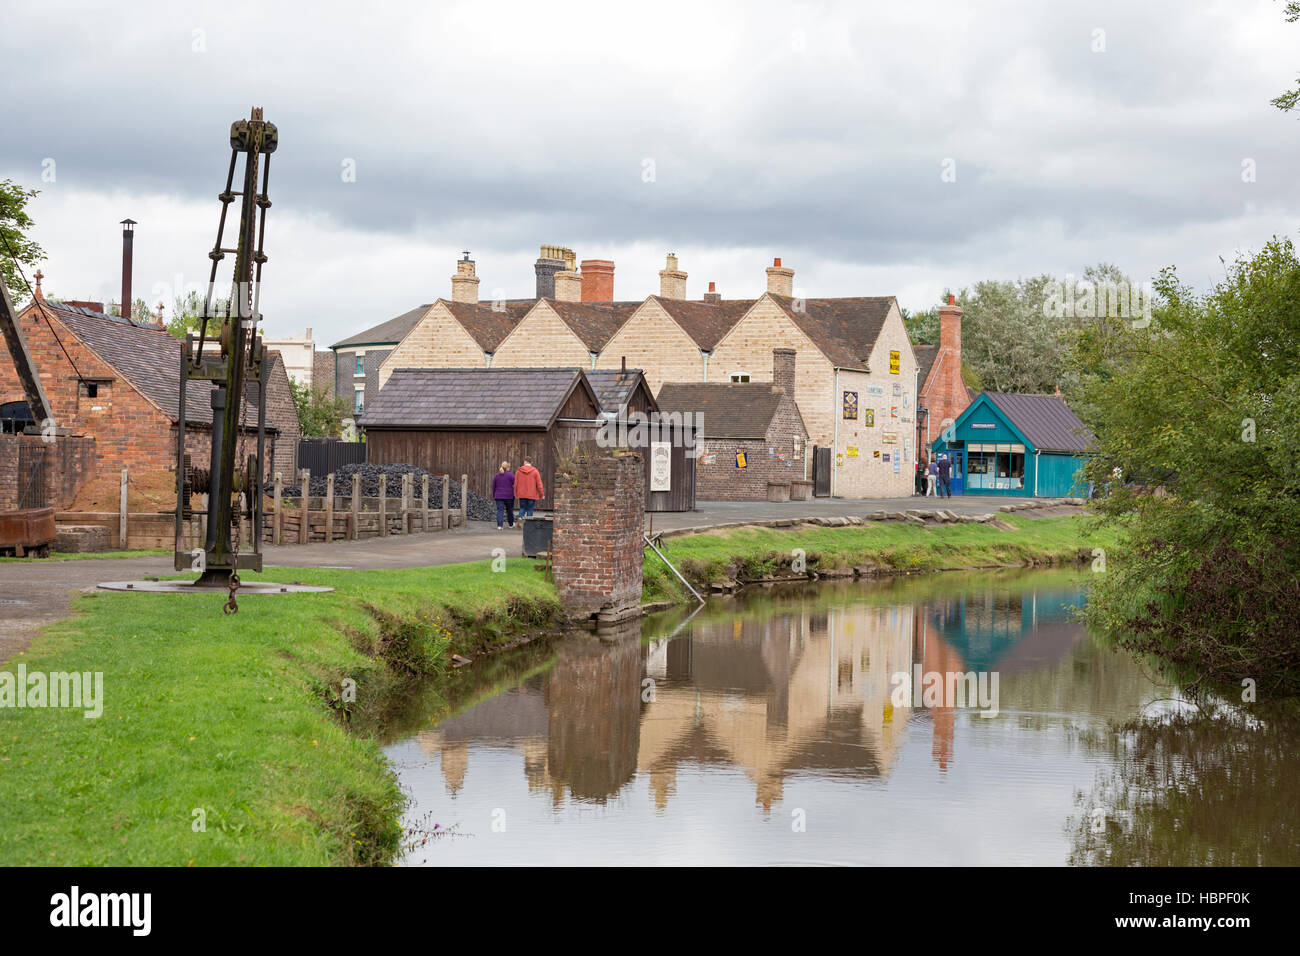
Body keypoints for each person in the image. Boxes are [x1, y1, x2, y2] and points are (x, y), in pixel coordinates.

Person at [492, 461, 516, 530]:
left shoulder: (497, 475)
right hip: (509, 496)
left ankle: (500, 526)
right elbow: (515, 485)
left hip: (498, 496)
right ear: (507, 467)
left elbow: (494, 486)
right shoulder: (511, 475)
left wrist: (494, 495)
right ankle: (511, 524)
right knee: (509, 510)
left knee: (500, 510)